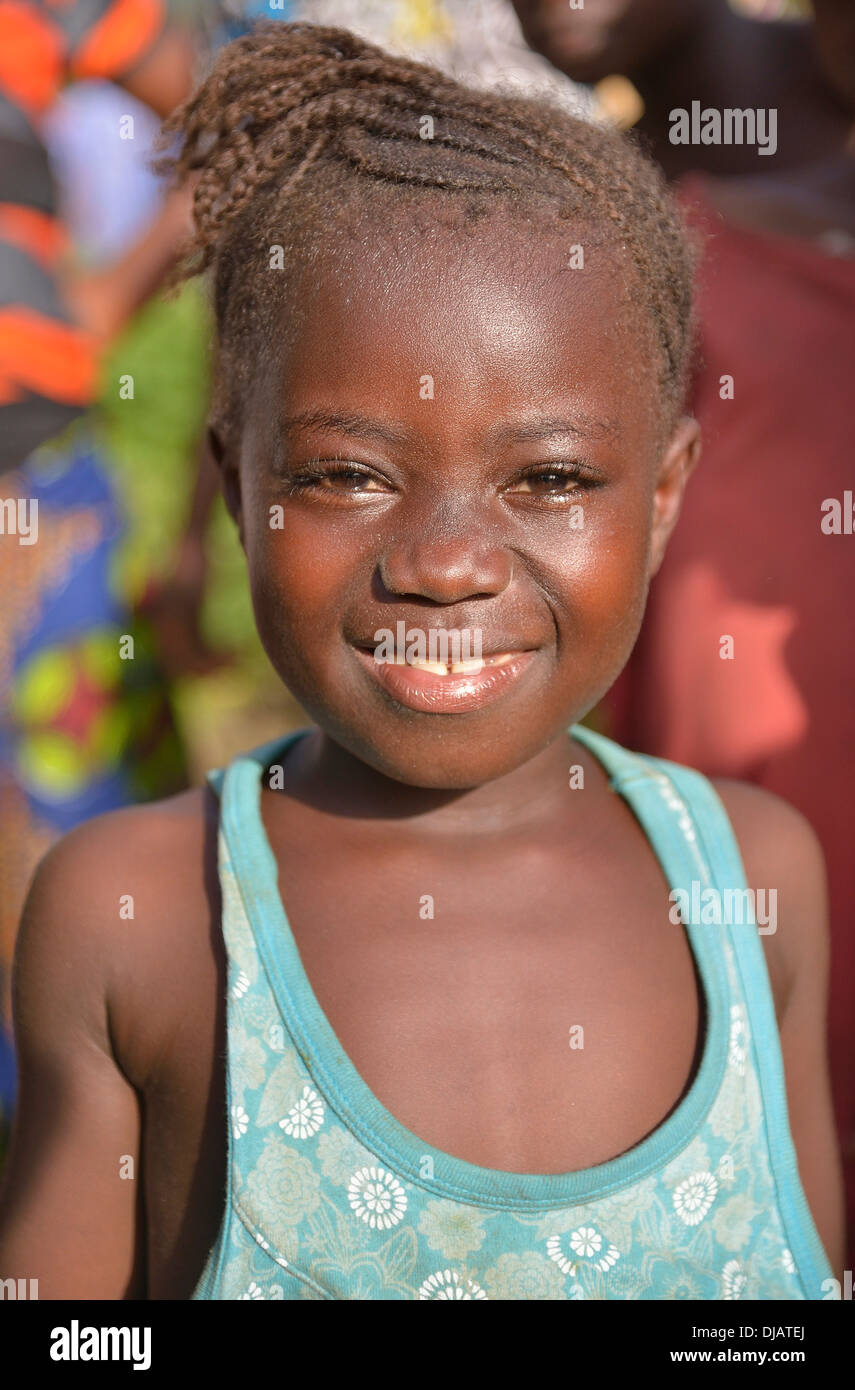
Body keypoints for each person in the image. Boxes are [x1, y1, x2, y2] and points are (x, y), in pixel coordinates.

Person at [0, 22, 844, 1300]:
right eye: (346, 475)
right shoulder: (141, 919)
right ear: (237, 486)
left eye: (550, 478)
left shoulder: (750, 885)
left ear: (665, 497)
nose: (447, 563)